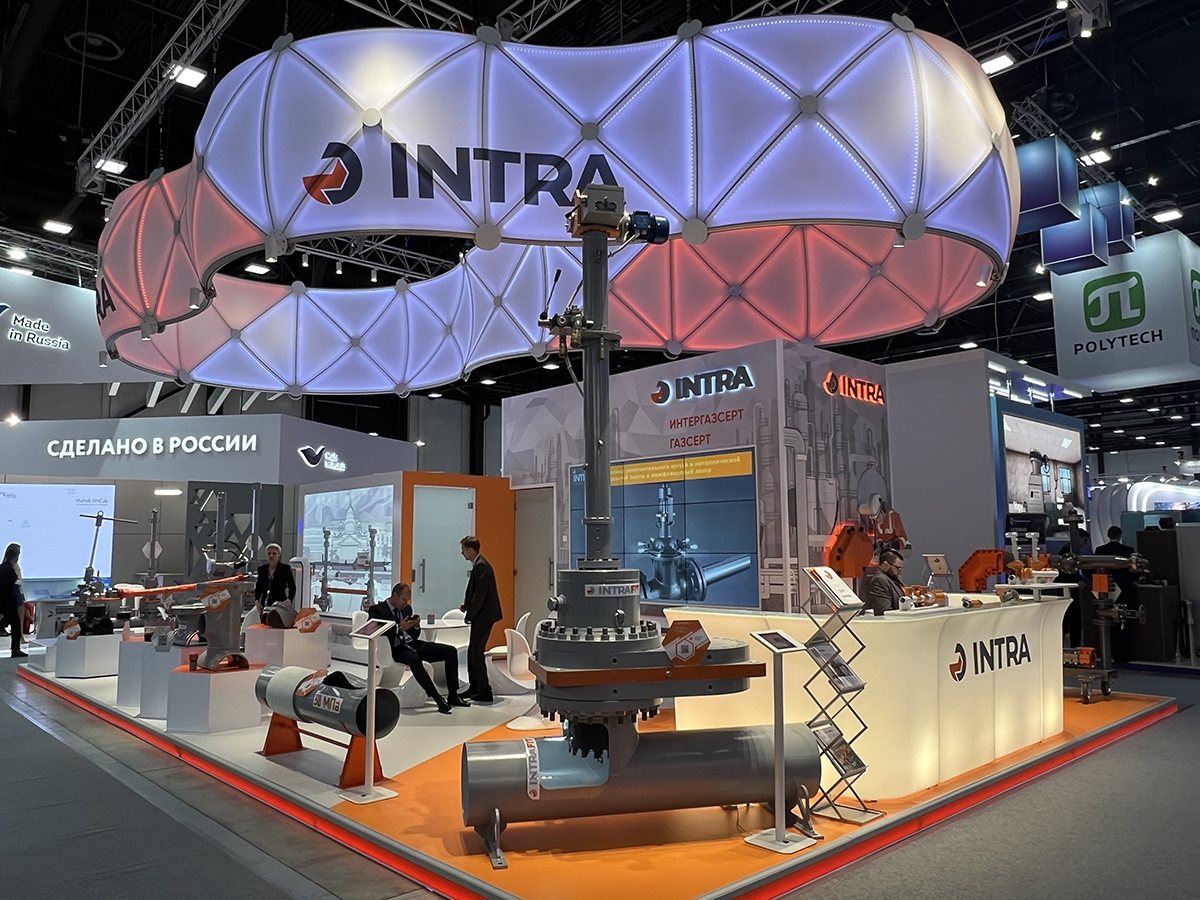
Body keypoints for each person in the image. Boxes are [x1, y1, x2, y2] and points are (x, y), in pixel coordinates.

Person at [368, 583, 468, 715]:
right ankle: (437, 698)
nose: (406, 603)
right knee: (414, 659)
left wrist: (415, 626)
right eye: (403, 599)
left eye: (407, 600)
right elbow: (375, 630)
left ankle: (453, 694)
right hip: (395, 649)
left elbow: (414, 636)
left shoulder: (407, 609)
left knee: (450, 651)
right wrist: (399, 627)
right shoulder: (377, 610)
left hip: (412, 644)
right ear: (394, 595)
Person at [459, 535, 502, 703]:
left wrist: (470, 614)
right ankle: (475, 686)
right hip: (482, 615)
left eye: (463, 550)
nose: (462, 553)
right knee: (473, 651)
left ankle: (484, 690)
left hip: (483, 616)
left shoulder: (481, 566)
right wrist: (468, 606)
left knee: (476, 652)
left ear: (470, 550)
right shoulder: (480, 565)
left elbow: (480, 595)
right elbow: (477, 593)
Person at [1, 543, 27, 658]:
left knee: (13, 623)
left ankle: (16, 648)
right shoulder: (9, 569)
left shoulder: (4, 567)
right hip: (8, 600)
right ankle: (15, 649)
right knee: (15, 623)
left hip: (7, 600)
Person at [254, 543, 296, 614]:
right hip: (264, 603)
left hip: (279, 602)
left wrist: (289, 599)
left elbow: (292, 587)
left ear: (279, 555)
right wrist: (257, 600)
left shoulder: (285, 569)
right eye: (269, 553)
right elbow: (258, 588)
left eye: (274, 554)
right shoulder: (262, 569)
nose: (271, 556)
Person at [863, 548, 905, 616]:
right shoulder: (879, 580)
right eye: (898, 568)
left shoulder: (894, 578)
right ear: (886, 564)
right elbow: (885, 611)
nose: (900, 572)